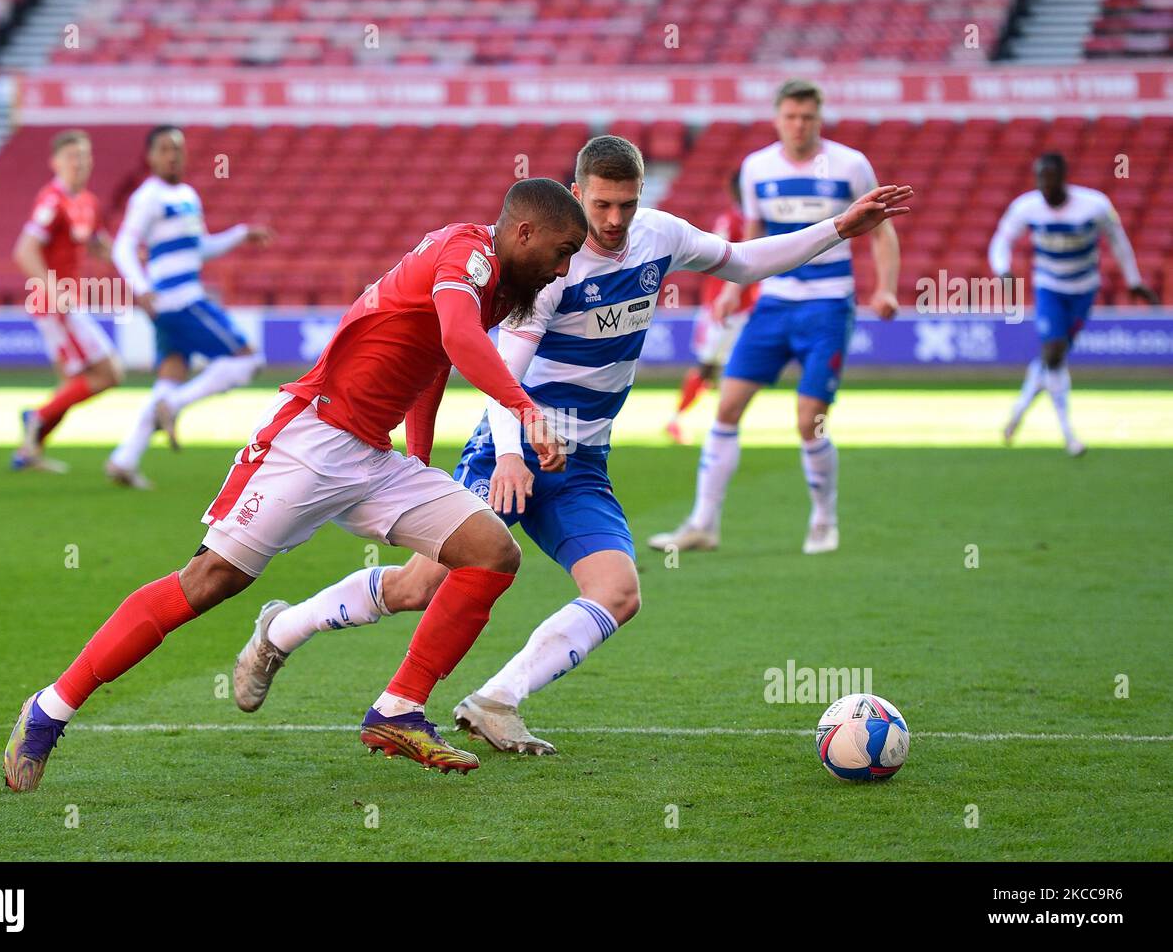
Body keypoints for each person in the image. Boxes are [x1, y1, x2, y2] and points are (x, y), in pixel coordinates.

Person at [230, 135, 911, 755]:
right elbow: (506, 370)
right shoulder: (549, 269)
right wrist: (507, 455)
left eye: (627, 204)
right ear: (578, 195)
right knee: (421, 585)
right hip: (515, 448)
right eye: (603, 205)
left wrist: (837, 229)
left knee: (618, 591)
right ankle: (281, 631)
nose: (614, 221)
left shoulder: (660, 236)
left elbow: (743, 262)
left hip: (582, 461)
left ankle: (496, 700)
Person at [2, 177, 586, 790]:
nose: (563, 267)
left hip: (373, 457)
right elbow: (459, 340)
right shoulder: (468, 254)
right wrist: (527, 412)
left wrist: (418, 460)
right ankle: (48, 710)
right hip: (309, 441)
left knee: (493, 554)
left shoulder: (495, 284)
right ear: (524, 232)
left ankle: (397, 710)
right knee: (208, 583)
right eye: (562, 249)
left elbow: (434, 361)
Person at [649, 79, 903, 557]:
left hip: (828, 304)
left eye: (807, 117)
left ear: (819, 118)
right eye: (790, 116)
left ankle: (824, 520)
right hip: (773, 304)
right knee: (726, 408)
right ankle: (703, 523)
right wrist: (730, 289)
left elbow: (881, 232)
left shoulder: (850, 165)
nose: (799, 125)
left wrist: (885, 287)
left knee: (810, 421)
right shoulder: (757, 168)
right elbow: (751, 239)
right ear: (777, 117)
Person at [106, 125, 272, 489]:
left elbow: (200, 249)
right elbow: (123, 246)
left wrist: (240, 234)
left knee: (170, 374)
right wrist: (141, 287)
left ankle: (124, 459)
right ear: (150, 156)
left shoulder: (187, 195)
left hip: (170, 305)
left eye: (177, 149)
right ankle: (176, 406)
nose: (172, 155)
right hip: (178, 299)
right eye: (165, 149)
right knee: (248, 359)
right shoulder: (147, 197)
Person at [991, 152, 1158, 456]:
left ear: (1063, 177)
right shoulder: (1027, 207)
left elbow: (1118, 239)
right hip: (1049, 288)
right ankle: (1069, 436)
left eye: (1050, 178)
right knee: (1054, 353)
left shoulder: (1094, 206)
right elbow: (1001, 240)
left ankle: (1017, 413)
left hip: (1084, 291)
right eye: (1040, 179)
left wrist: (1133, 280)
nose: (1045, 185)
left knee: (1051, 359)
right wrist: (1003, 270)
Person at [10, 129, 122, 472]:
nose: (80, 163)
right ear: (55, 162)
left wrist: (134, 261)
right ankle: (37, 417)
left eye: (85, 156)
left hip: (69, 302)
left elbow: (99, 244)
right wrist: (52, 289)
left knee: (70, 383)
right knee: (109, 372)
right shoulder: (52, 200)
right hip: (56, 305)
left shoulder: (87, 202)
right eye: (72, 156)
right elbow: (24, 250)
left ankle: (29, 451)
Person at [666, 168, 760, 445]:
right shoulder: (730, 220)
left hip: (746, 306)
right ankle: (677, 419)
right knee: (709, 366)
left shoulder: (755, 219)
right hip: (723, 306)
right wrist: (722, 297)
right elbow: (718, 261)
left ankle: (725, 423)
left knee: (733, 366)